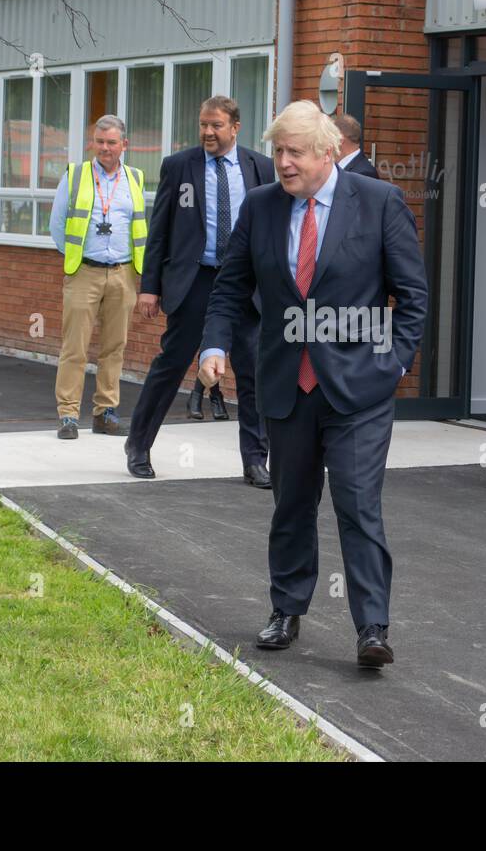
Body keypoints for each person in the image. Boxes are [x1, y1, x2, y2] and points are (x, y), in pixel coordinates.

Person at [197, 100, 428, 668]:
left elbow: (413, 298)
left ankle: (372, 627)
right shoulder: (260, 208)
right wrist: (214, 344)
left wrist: (393, 365)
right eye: (277, 151)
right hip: (286, 385)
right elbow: (229, 287)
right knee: (292, 504)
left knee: (356, 504)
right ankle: (286, 609)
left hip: (359, 389)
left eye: (294, 152)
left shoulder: (377, 202)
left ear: (327, 153)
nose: (282, 162)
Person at [128, 95, 274, 486]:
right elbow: (159, 230)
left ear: (235, 128)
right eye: (203, 125)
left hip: (245, 285)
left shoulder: (261, 168)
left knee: (253, 371)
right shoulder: (180, 167)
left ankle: (255, 460)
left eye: (216, 126)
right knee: (171, 365)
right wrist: (150, 287)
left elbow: (274, 231)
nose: (208, 132)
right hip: (195, 281)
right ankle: (139, 445)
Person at [49, 115, 146, 440]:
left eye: (111, 142)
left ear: (124, 145)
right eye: (100, 142)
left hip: (123, 273)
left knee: (114, 347)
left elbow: (139, 224)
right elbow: (57, 224)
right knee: (74, 347)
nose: (105, 148)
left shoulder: (134, 178)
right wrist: (76, 256)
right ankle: (68, 416)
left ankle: (105, 412)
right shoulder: (75, 175)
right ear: (93, 143)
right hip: (84, 272)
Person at [333, 113, 379, 179]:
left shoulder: (364, 173)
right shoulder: (339, 167)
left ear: (340, 139)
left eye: (329, 137)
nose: (326, 143)